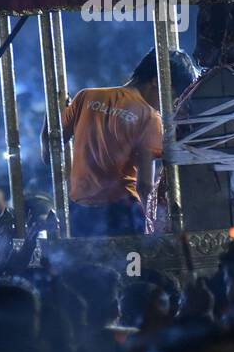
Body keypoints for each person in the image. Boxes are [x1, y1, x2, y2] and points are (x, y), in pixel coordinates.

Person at [50, 48, 196, 237]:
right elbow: (144, 185)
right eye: (172, 97)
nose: (168, 106)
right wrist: (152, 227)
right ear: (156, 82)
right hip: (121, 214)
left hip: (79, 214)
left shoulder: (86, 97)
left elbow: (50, 153)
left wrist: (52, 111)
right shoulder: (149, 117)